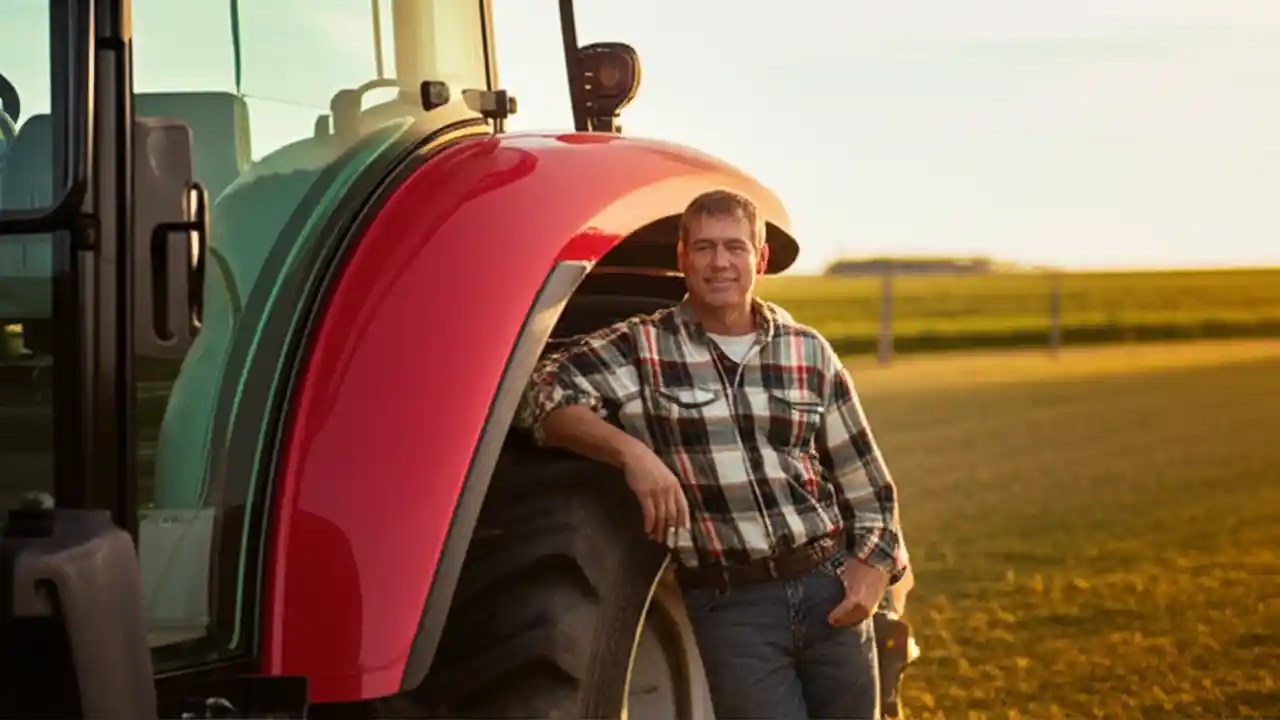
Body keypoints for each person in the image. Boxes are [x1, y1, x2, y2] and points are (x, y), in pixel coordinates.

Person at [514, 189, 910, 719]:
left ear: (759, 259)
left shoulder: (807, 350)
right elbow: (537, 395)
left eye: (734, 247)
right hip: (733, 607)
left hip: (827, 587)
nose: (719, 262)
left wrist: (871, 570)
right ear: (682, 258)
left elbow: (867, 483)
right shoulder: (642, 348)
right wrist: (632, 454)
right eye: (704, 247)